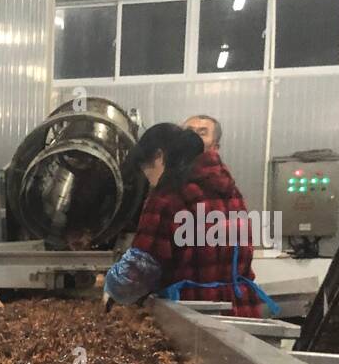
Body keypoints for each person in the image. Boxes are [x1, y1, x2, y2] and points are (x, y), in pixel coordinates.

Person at [104, 123, 276, 318]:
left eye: (146, 169)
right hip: (241, 310)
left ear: (159, 157)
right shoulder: (229, 190)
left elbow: (139, 270)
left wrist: (111, 287)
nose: (149, 180)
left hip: (193, 316)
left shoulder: (167, 197)